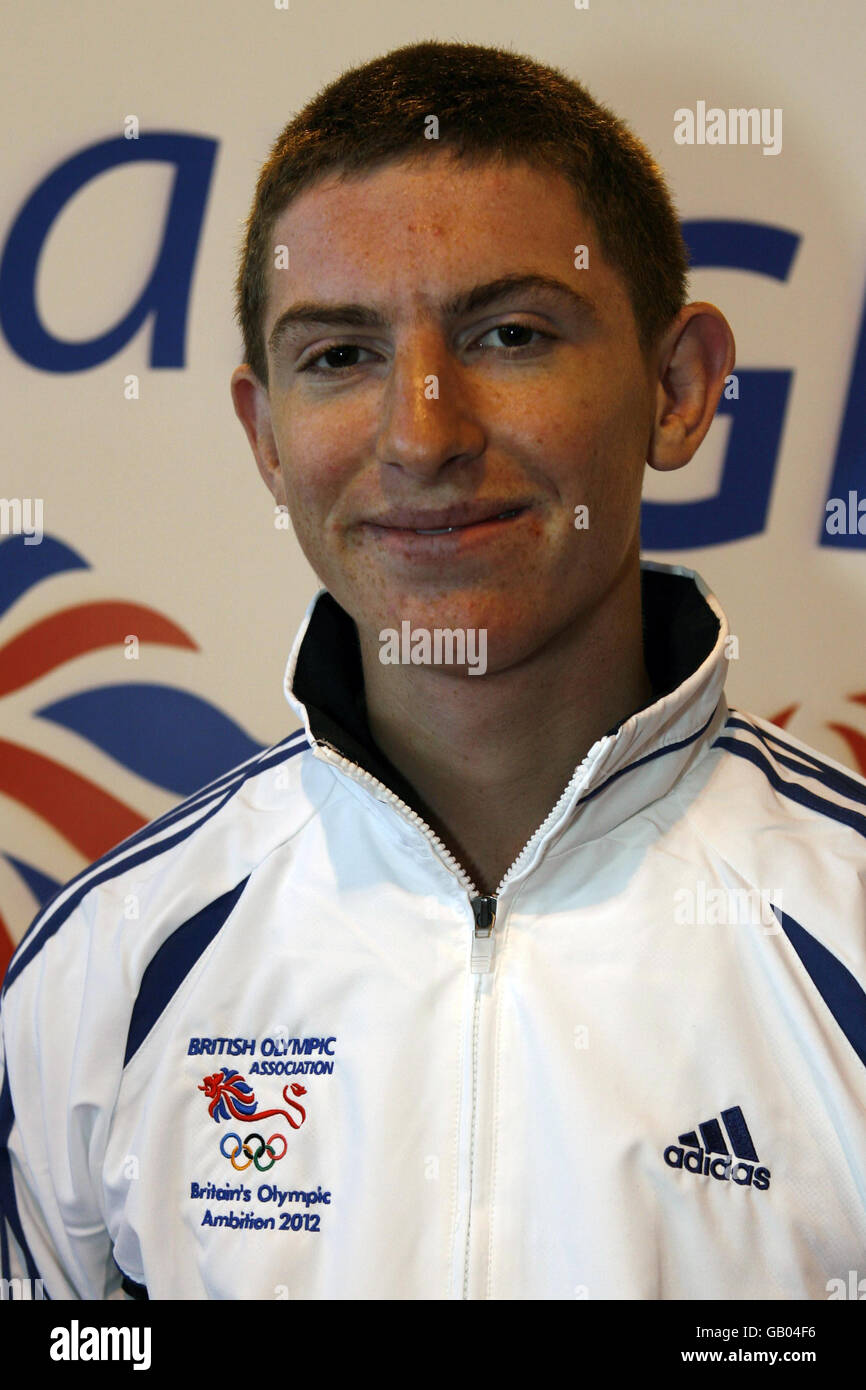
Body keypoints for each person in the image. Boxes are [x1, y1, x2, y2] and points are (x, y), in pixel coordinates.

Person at [2, 39, 865, 1302]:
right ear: (265, 435)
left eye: (508, 333)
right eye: (339, 357)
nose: (421, 433)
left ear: (677, 390)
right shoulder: (106, 973)